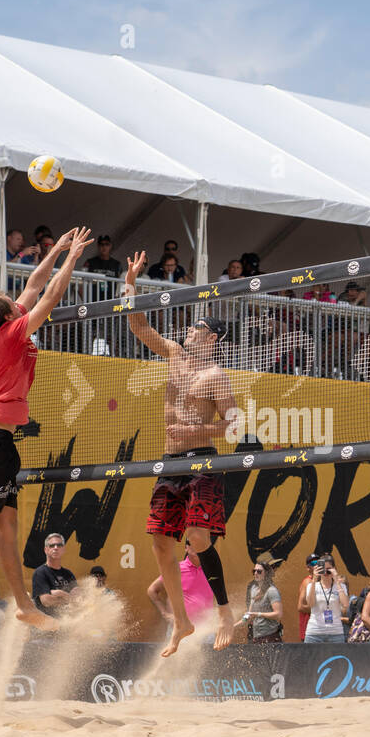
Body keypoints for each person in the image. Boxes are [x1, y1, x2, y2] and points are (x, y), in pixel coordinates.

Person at [0, 227, 93, 642]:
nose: (21, 306)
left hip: (3, 443)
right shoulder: (12, 334)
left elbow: (34, 285)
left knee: (8, 530)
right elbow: (48, 297)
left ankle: (24, 607)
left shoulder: (7, 326)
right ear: (9, 317)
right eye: (15, 307)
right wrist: (73, 259)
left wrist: (56, 251)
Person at [123, 250, 238, 656]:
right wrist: (131, 282)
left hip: (204, 460)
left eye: (198, 327)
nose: (189, 330)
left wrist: (195, 428)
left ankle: (224, 612)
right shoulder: (173, 353)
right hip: (171, 463)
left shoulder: (215, 375)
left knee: (198, 539)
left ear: (212, 338)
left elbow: (234, 424)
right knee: (158, 543)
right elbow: (137, 324)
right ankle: (182, 622)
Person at [148, 548, 216, 643]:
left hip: (206, 631)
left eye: (199, 544)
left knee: (209, 657)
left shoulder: (212, 570)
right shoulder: (177, 568)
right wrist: (165, 613)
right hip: (181, 629)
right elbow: (152, 590)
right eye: (192, 544)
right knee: (179, 657)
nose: (196, 547)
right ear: (186, 548)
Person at [235, 554, 284, 644]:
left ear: (266, 573)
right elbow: (249, 616)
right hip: (256, 638)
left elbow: (279, 614)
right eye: (254, 571)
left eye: (259, 571)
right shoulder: (253, 589)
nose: (255, 573)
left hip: (271, 638)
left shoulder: (272, 590)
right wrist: (233, 626)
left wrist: (258, 614)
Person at [32, 533, 77, 622]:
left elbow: (78, 598)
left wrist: (58, 593)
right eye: (52, 545)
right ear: (46, 550)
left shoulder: (69, 574)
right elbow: (46, 601)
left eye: (59, 545)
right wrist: (67, 596)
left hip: (66, 626)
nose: (55, 548)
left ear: (63, 549)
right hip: (45, 629)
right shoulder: (40, 572)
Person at [304, 557, 349, 644]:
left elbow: (345, 604)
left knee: (336, 658)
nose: (325, 572)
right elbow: (310, 603)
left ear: (334, 569)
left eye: (328, 569)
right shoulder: (312, 586)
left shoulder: (341, 586)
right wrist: (314, 579)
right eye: (322, 569)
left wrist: (336, 580)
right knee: (311, 658)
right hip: (315, 632)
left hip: (335, 632)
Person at [296, 553, 321, 641]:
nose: (317, 565)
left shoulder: (325, 582)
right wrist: (320, 610)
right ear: (308, 568)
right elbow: (300, 607)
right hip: (309, 632)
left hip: (322, 631)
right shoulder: (307, 582)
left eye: (319, 562)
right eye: (314, 563)